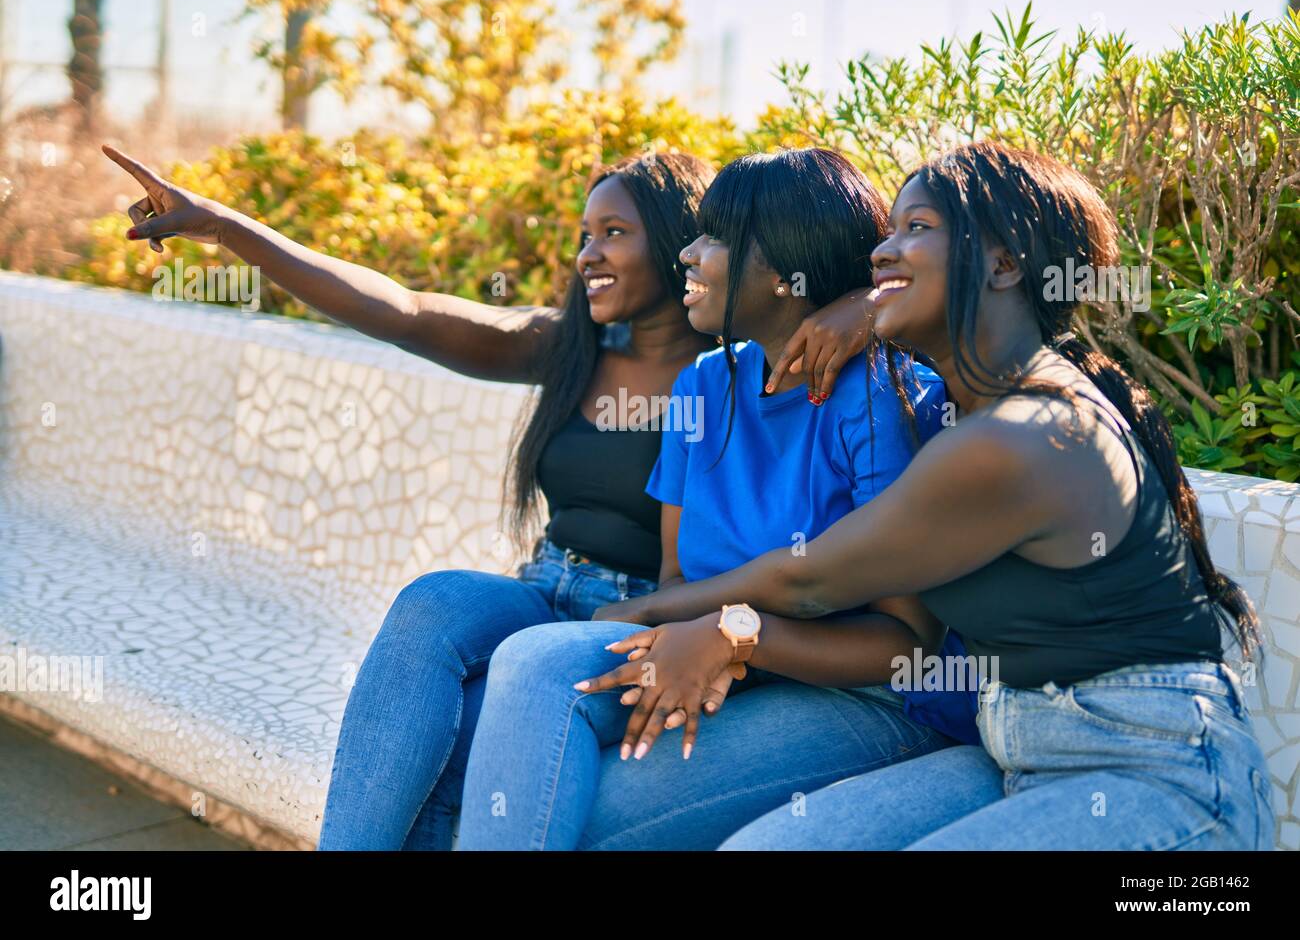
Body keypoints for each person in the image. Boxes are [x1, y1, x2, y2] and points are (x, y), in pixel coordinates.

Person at [103, 144, 873, 849]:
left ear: (679, 239)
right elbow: (400, 310)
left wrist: (861, 307)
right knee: (434, 603)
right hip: (548, 592)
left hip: (643, 613)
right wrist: (230, 230)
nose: (587, 255)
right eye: (582, 235)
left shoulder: (733, 366)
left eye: (613, 233)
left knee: (462, 743)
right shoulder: (569, 349)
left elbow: (847, 282)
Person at [515, 141, 1270, 851]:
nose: (882, 248)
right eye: (886, 230)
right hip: (1017, 749)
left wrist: (687, 621)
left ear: (1003, 264)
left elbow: (808, 579)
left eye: (916, 228)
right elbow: (848, 308)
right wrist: (855, 307)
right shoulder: (955, 400)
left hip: (1159, 777)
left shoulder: (1020, 436)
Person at [454, 148, 975, 852]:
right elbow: (679, 580)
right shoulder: (703, 385)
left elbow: (906, 643)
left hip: (856, 698)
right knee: (501, 708)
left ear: (785, 269)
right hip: (720, 653)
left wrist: (736, 647)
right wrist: (699, 649)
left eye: (715, 237)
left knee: (583, 813)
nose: (689, 255)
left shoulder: (878, 399)